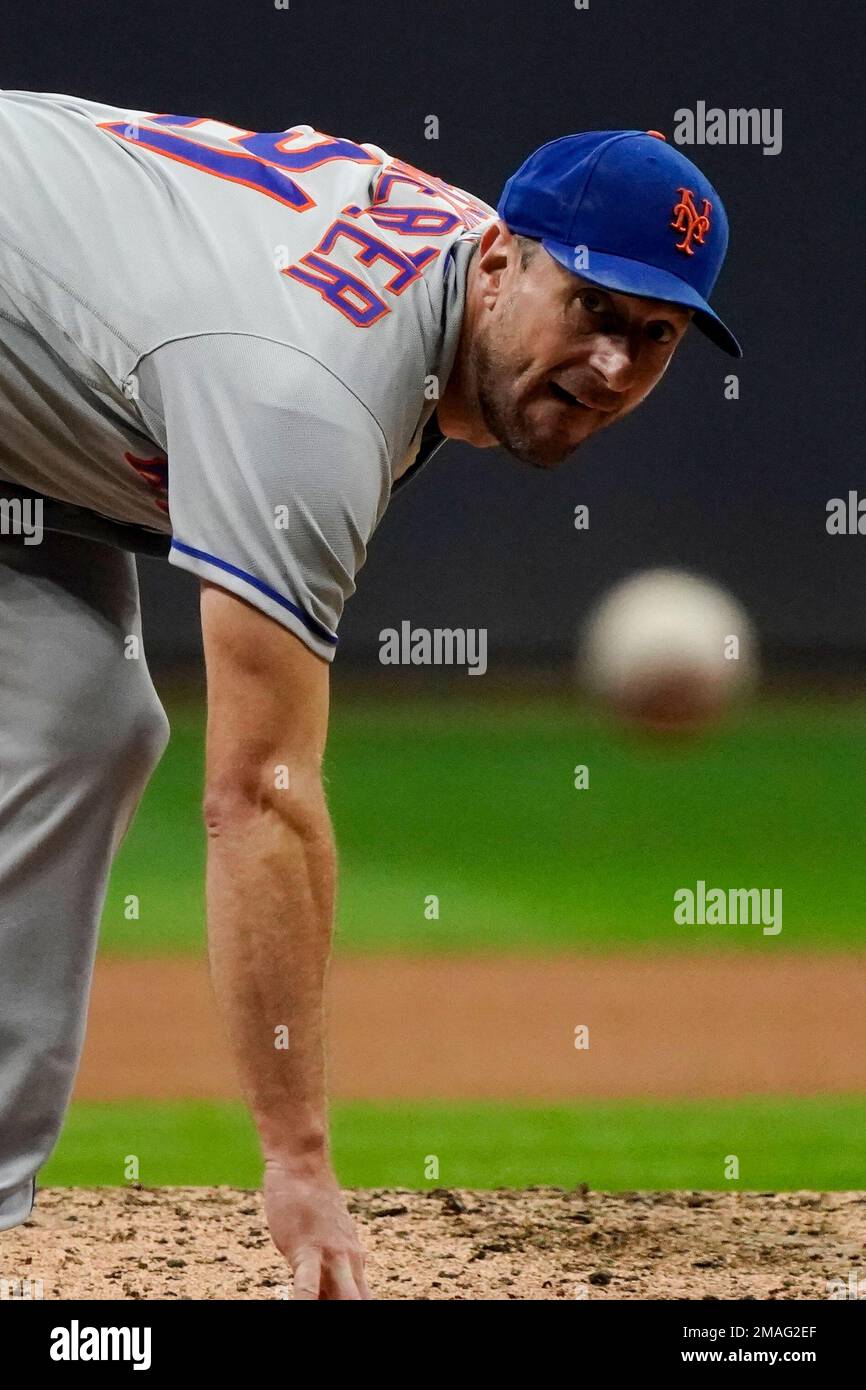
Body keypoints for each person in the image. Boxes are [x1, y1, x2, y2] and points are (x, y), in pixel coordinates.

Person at [0, 92, 739, 1299]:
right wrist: (296, 1161)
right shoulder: (306, 393)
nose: (611, 363)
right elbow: (260, 799)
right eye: (594, 308)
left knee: (85, 719)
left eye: (653, 336)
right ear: (498, 262)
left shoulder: (440, 294)